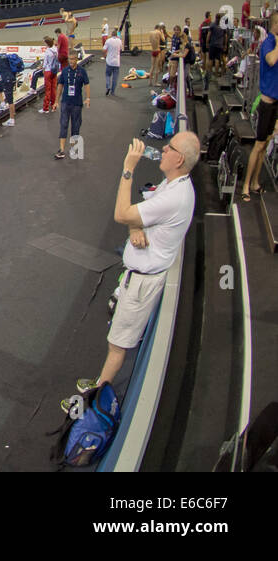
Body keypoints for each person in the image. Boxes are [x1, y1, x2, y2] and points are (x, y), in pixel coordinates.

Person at [71, 133, 198, 398]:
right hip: (138, 277)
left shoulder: (175, 197)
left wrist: (128, 170)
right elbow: (139, 215)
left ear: (179, 159)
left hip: (142, 284)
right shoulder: (172, 185)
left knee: (118, 344)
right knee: (117, 337)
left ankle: (95, 398)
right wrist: (134, 227)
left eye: (170, 147)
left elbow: (122, 213)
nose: (163, 149)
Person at [243, 13, 278, 202]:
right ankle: (247, 185)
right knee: (258, 146)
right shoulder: (269, 43)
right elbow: (271, 60)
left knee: (264, 146)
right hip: (266, 104)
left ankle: (256, 182)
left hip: (276, 102)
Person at [54, 51, 91, 160]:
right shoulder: (64, 71)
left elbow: (87, 85)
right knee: (63, 125)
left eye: (73, 59)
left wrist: (88, 98)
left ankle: (74, 149)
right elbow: (60, 86)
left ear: (77, 59)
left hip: (77, 104)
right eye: (69, 59)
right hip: (65, 102)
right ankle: (61, 150)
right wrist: (56, 101)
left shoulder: (82, 71)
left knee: (76, 126)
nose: (71, 61)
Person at [36, 36, 59, 114]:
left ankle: (45, 108)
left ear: (47, 43)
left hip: (48, 71)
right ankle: (53, 105)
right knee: (53, 89)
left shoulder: (48, 51)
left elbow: (45, 63)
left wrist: (42, 69)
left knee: (48, 90)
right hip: (54, 71)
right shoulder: (55, 49)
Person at [102, 28, 123, 96]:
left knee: (108, 75)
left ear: (111, 35)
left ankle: (108, 86)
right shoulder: (119, 41)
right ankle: (113, 92)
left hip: (109, 61)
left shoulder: (108, 40)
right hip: (117, 62)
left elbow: (104, 50)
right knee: (115, 78)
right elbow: (120, 49)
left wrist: (105, 56)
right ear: (116, 35)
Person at [207, 12, 227, 76]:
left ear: (215, 18)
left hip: (212, 44)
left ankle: (210, 73)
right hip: (219, 45)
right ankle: (216, 73)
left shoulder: (212, 25)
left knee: (210, 59)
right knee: (217, 60)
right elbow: (225, 36)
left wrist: (207, 42)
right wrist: (225, 45)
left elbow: (208, 35)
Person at [148, 24, 163, 88]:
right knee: (157, 67)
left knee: (152, 66)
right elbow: (163, 39)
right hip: (157, 50)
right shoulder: (159, 32)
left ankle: (150, 81)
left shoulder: (150, 33)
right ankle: (155, 82)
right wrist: (162, 33)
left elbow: (150, 41)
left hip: (153, 50)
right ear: (159, 28)